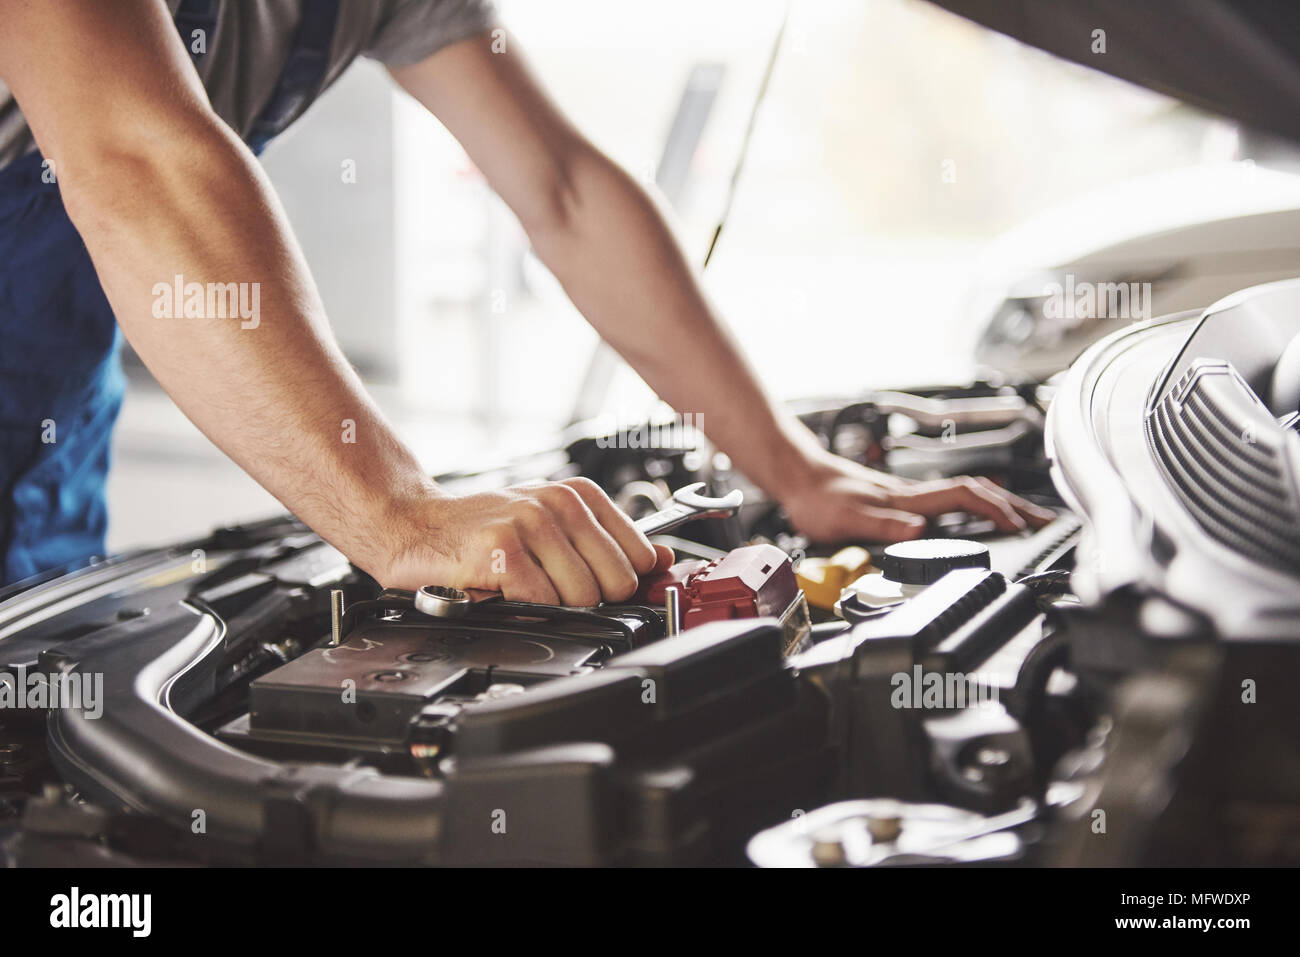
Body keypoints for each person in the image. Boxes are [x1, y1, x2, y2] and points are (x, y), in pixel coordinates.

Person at [0, 0, 1053, 598]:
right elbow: (134, 161)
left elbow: (562, 187)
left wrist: (792, 470)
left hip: (47, 423)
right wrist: (395, 510)